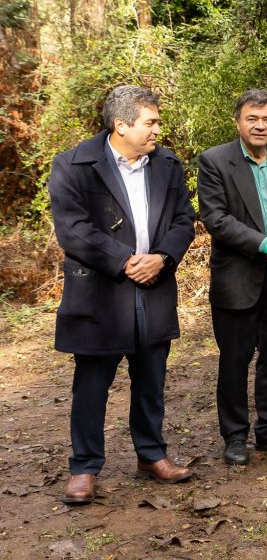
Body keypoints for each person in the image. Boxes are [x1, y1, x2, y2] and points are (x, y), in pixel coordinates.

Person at [49, 85, 196, 505]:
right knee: (92, 382)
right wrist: (127, 259)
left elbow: (185, 220)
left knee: (152, 377)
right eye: (150, 122)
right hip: (101, 288)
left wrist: (163, 257)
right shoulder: (74, 164)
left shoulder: (167, 164)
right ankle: (84, 467)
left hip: (155, 285)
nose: (157, 130)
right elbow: (72, 230)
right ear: (121, 125)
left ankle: (151, 455)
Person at [197, 89, 267, 466]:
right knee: (235, 358)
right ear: (238, 121)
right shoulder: (215, 161)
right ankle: (234, 436)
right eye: (252, 118)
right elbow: (216, 219)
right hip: (238, 278)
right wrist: (265, 244)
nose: (260, 125)